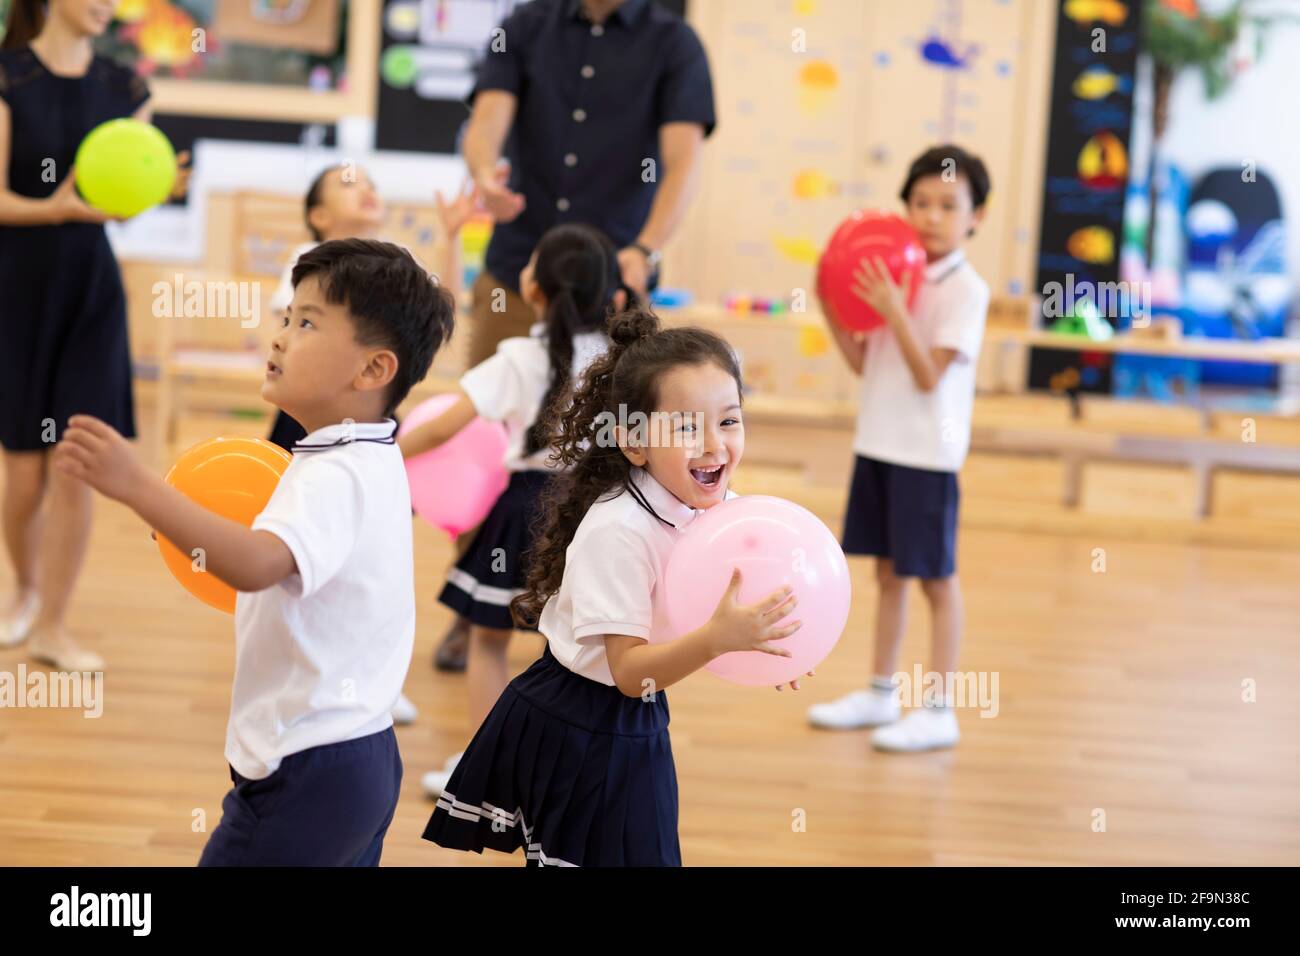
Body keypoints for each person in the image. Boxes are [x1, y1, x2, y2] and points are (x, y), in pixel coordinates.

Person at [54, 239, 457, 864]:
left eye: (305, 323)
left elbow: (255, 563)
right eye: (286, 318)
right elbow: (262, 553)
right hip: (362, 753)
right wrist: (184, 528)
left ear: (374, 370)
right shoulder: (368, 452)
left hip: (305, 769)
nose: (279, 337)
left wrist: (139, 488)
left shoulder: (333, 474)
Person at [807, 145, 992, 753]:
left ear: (976, 216)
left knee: (935, 579)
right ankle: (881, 691)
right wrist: (834, 304)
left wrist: (893, 307)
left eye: (948, 205)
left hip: (926, 456)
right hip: (880, 444)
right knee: (888, 575)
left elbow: (928, 376)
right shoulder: (895, 272)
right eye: (920, 203)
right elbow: (865, 362)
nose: (931, 215)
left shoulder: (966, 289)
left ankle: (940, 709)